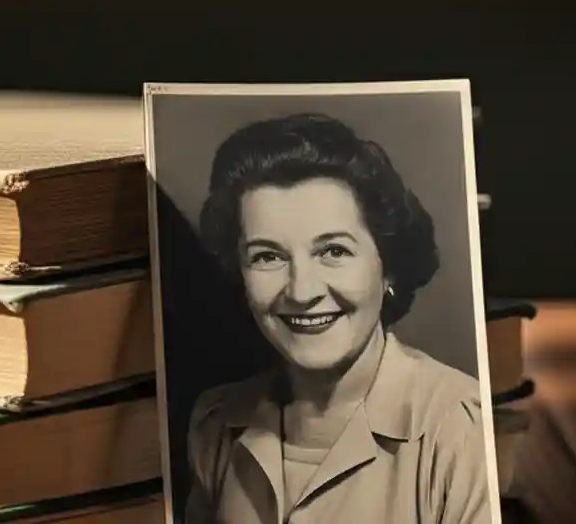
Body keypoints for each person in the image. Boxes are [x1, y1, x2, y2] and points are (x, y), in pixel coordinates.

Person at [183, 113, 492, 524]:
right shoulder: (215, 424)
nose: (301, 291)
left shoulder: (458, 428)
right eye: (268, 256)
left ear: (389, 267)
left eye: (333, 251)